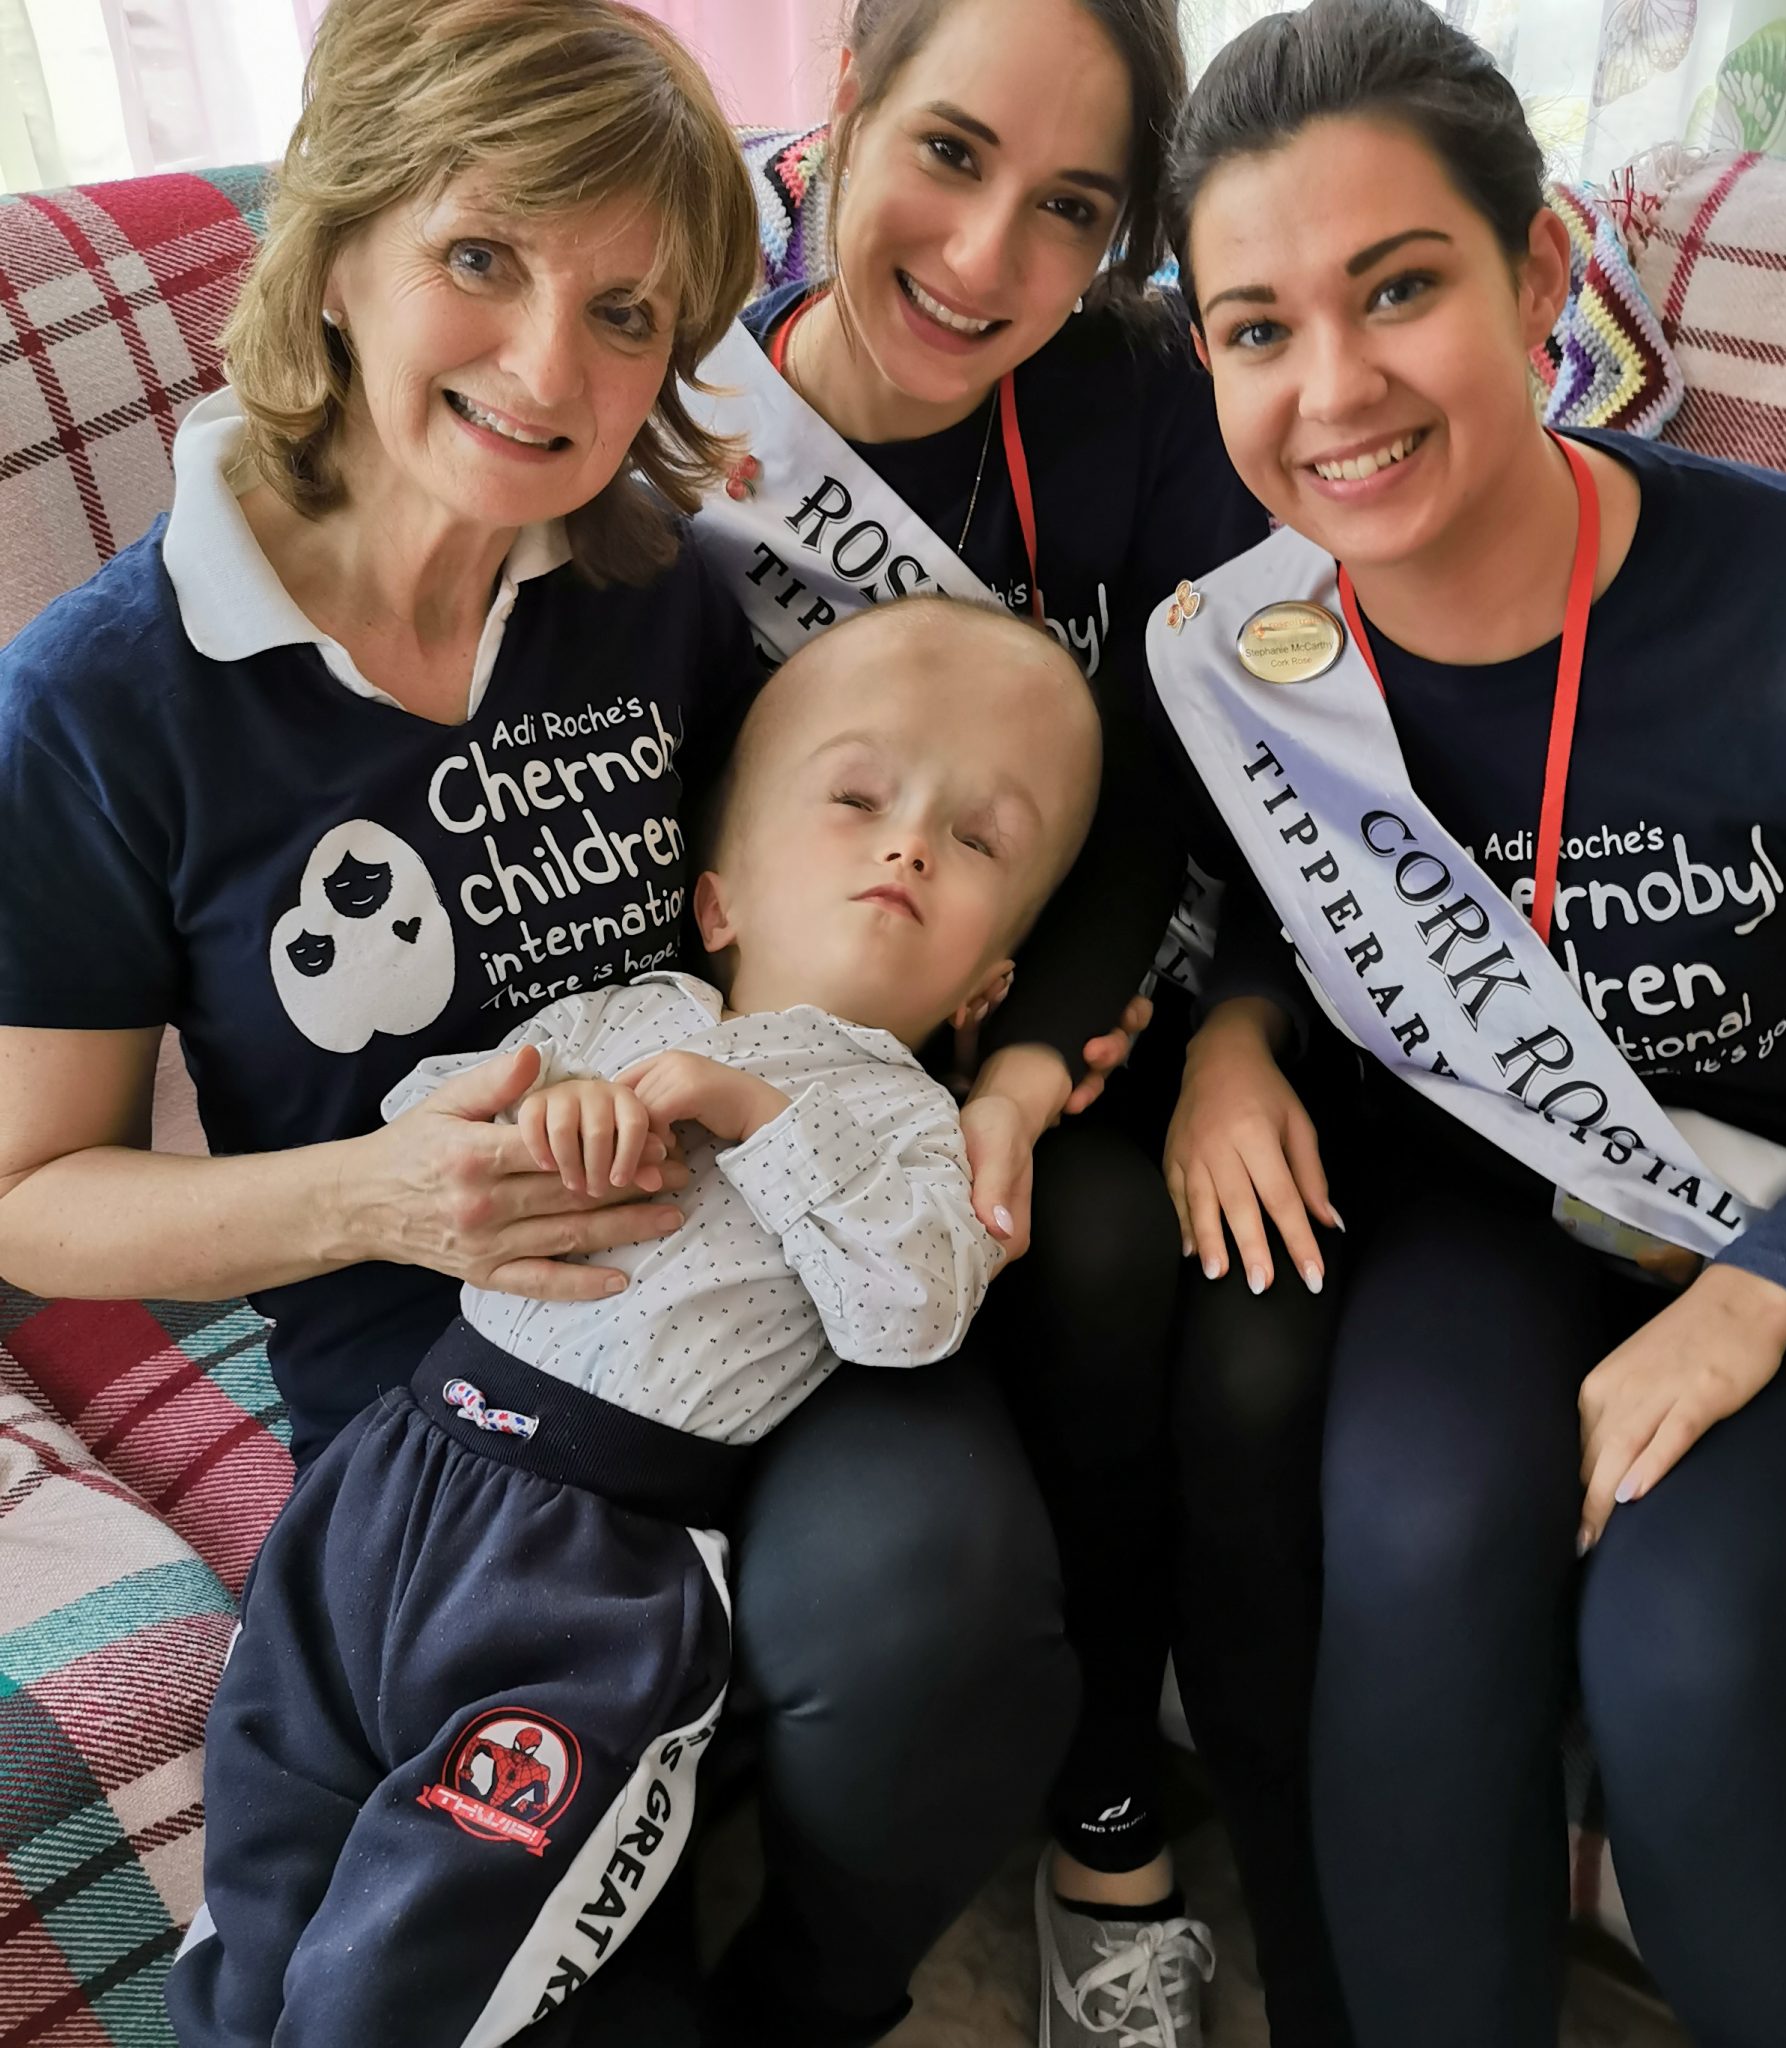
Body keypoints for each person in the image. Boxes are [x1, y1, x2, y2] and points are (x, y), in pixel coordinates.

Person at [0, 6, 1077, 2043]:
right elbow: (30, 1198)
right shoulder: (102, 703)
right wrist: (384, 1197)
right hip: (442, 1415)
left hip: (776, 1313)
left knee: (943, 1620)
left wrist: (1016, 1073)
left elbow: (976, 797)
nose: (545, 366)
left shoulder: (653, 591)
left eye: (625, 313)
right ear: (339, 248)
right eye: (481, 257)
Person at [1148, 4, 1786, 2045]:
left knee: (1691, 1648)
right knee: (1412, 1544)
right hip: (1490, 1214)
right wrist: (1231, 1042)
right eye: (1260, 328)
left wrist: (1759, 1294)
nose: (1334, 388)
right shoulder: (1251, 647)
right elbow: (1285, 907)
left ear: (1541, 272)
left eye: (1399, 289)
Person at [167, 597, 1103, 2048]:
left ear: (989, 989)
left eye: (978, 840)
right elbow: (422, 1120)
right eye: (858, 800)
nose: (910, 844)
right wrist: (539, 1116)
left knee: (446, 1941)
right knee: (267, 1837)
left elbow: (910, 1313)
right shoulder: (622, 1013)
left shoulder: (922, 1130)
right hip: (391, 1473)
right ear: (717, 901)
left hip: (600, 1568)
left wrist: (760, 1116)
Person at [679, 4, 1329, 2042]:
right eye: (950, 154)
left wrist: (1054, 1059)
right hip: (783, 1054)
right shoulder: (675, 423)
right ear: (844, 108)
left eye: (1070, 209)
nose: (985, 262)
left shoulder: (1137, 400)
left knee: (1164, 1269)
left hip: (1074, 1003)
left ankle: (1117, 1819)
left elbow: (1196, 781)